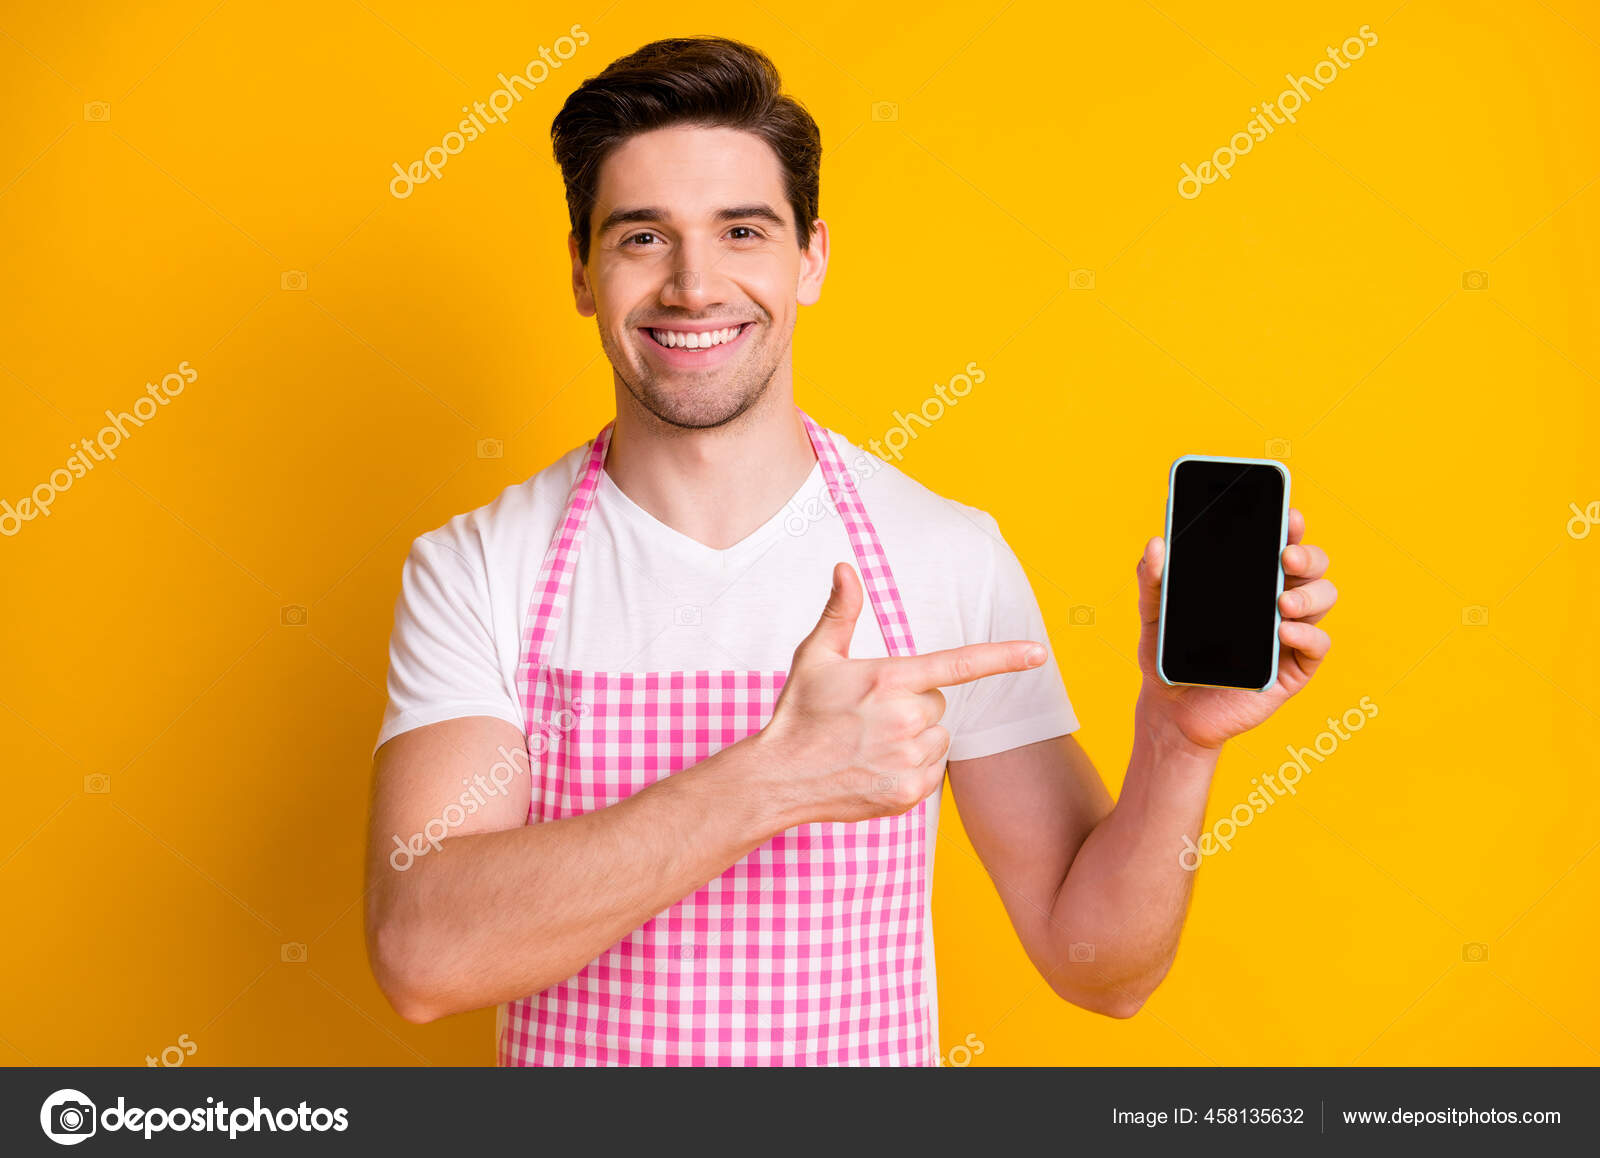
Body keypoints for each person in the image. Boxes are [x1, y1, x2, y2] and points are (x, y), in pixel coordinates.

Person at [363, 36, 1339, 1066]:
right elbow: (421, 954)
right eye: (643, 238)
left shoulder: (944, 554)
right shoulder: (477, 567)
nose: (696, 286)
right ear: (580, 270)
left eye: (742, 231)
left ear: (810, 257)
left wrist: (1176, 747)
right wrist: (771, 780)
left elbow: (1101, 968)